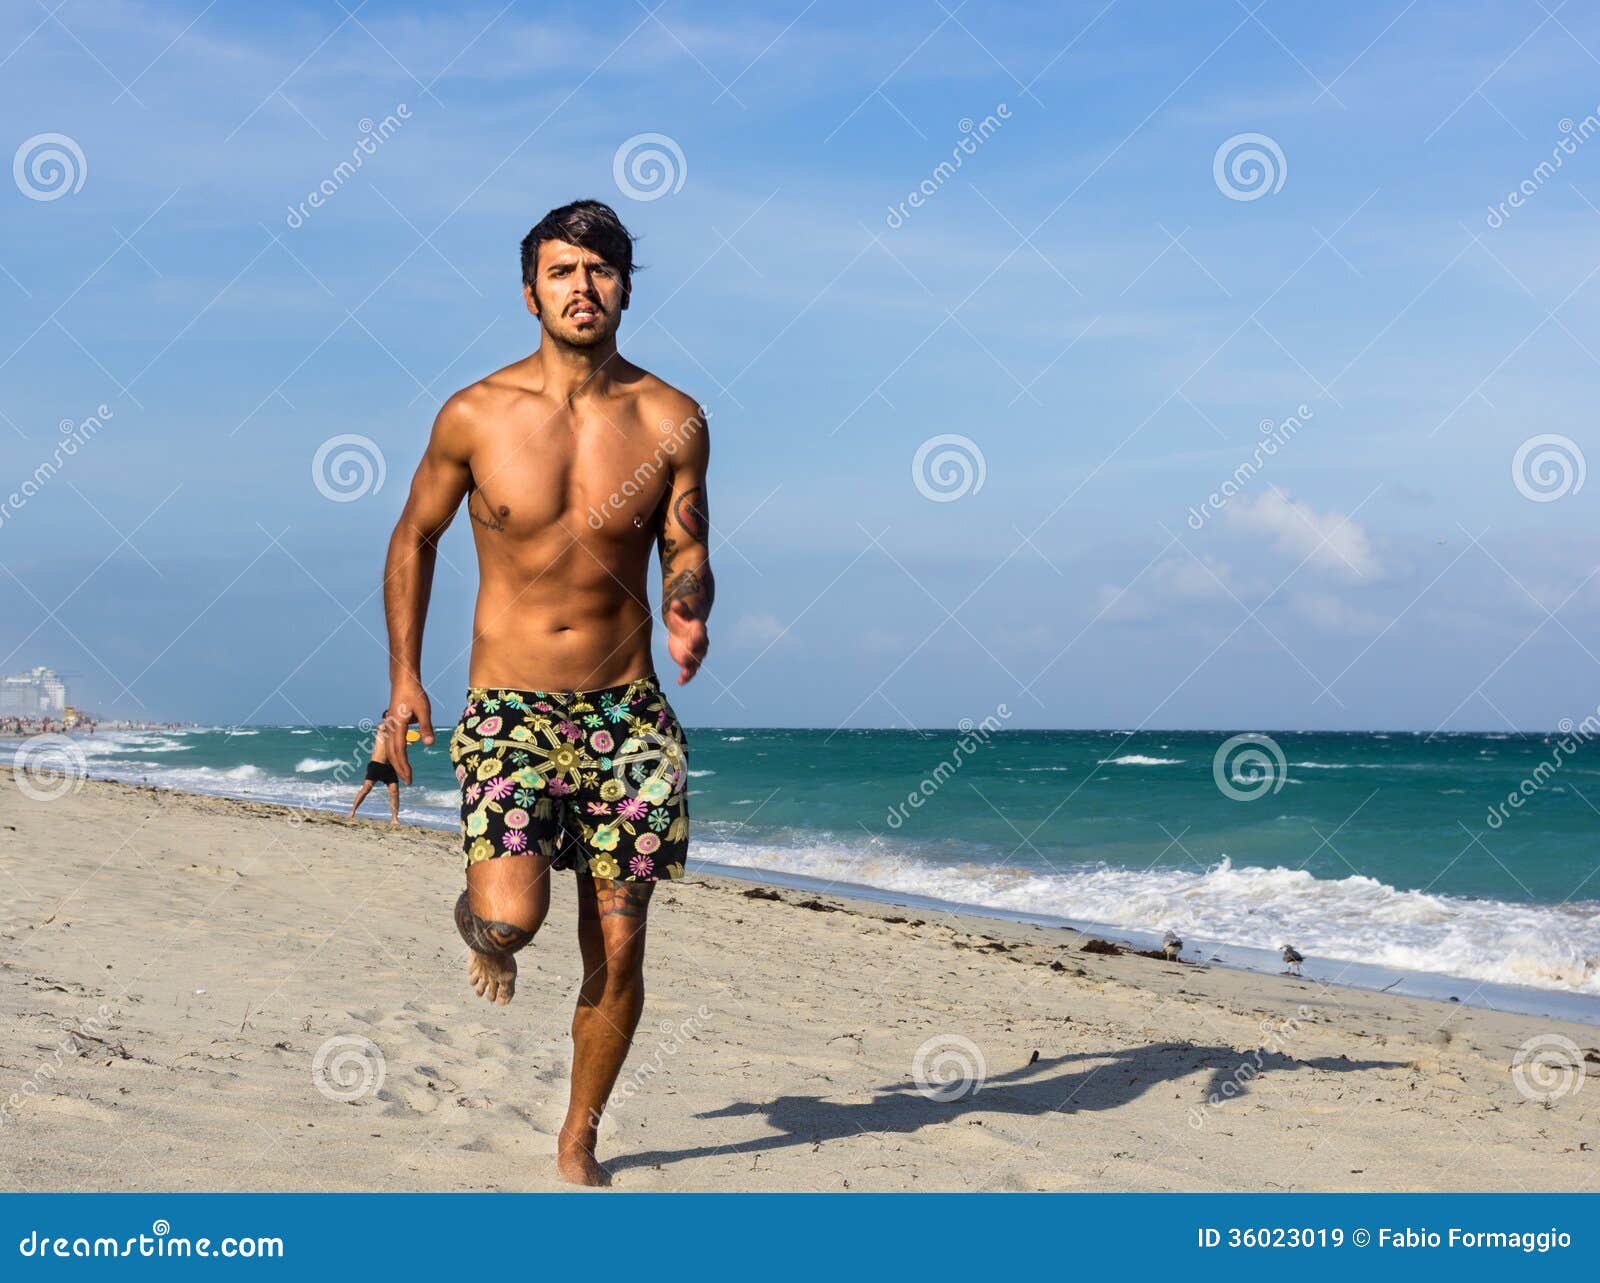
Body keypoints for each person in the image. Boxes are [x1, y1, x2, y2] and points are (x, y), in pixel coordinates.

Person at [379, 199, 713, 1187]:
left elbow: (686, 543)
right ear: (530, 289)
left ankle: (579, 1136)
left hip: (628, 711)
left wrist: (689, 604)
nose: (582, 286)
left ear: (623, 288)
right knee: (512, 920)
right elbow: (414, 538)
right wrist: (404, 678)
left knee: (618, 932)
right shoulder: (475, 414)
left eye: (601, 270)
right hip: (511, 709)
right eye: (563, 270)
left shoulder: (670, 418)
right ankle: (483, 920)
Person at [348, 722, 401, 824]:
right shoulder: (382, 727)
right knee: (365, 790)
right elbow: (382, 727)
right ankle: (352, 811)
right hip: (376, 765)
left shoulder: (396, 733)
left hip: (390, 767)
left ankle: (394, 818)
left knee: (394, 792)